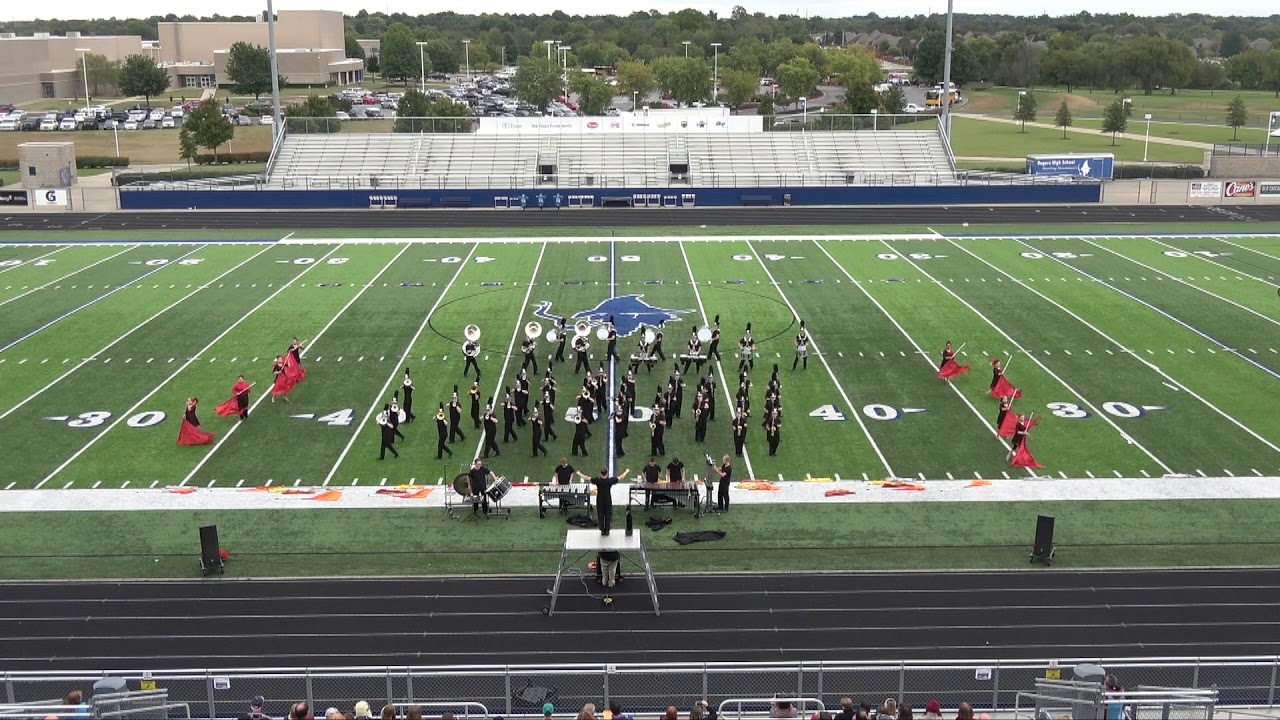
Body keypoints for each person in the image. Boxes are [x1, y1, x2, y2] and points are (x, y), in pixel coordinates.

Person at [579, 467, 630, 534]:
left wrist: (579, 473)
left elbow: (586, 478)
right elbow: (621, 477)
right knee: (608, 514)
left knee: (600, 514)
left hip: (599, 499)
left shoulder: (597, 480)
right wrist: (626, 471)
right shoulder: (610, 481)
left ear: (601, 474)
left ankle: (602, 530)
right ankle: (607, 530)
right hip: (607, 499)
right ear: (607, 473)